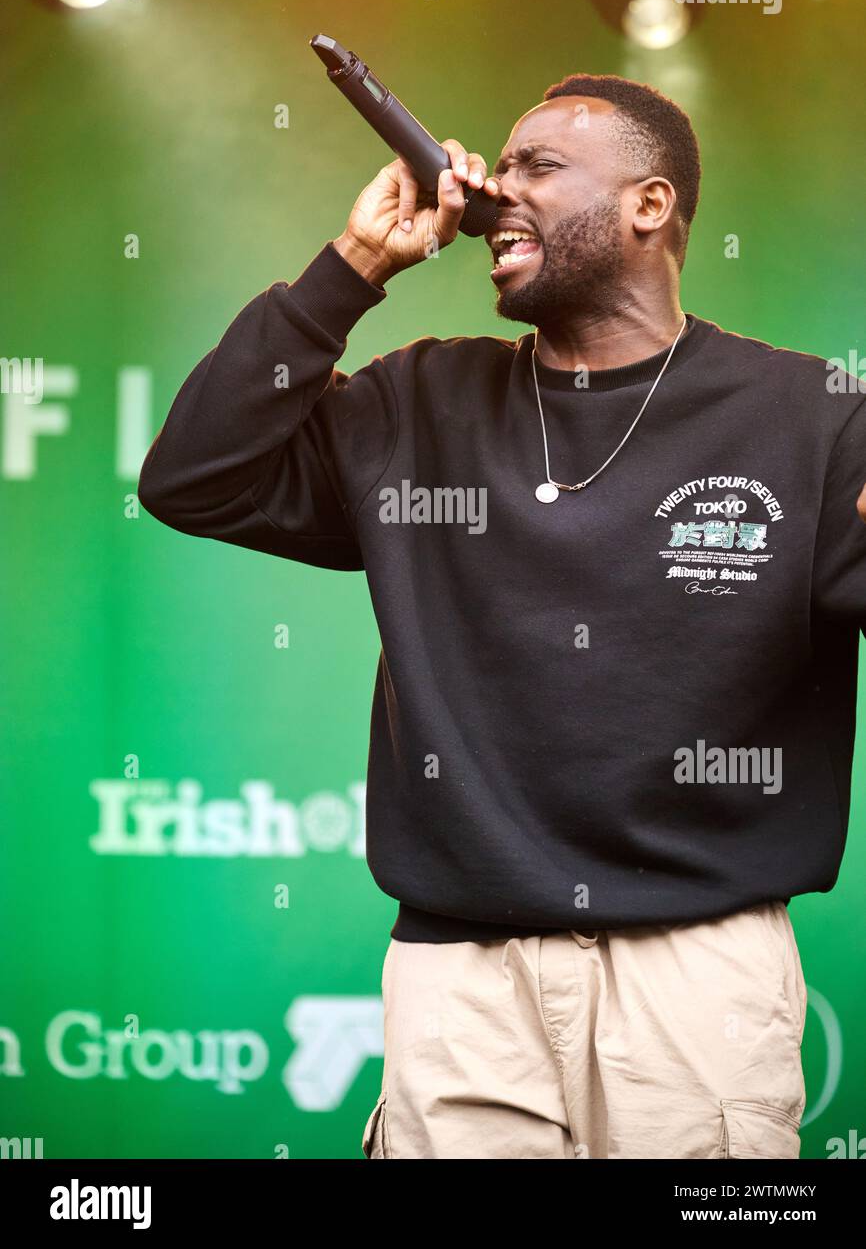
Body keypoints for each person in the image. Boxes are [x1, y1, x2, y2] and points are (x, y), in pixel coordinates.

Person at [138, 73, 866, 1160]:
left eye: (537, 167)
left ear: (648, 207)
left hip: (695, 970)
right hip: (460, 975)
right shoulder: (414, 402)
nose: (486, 186)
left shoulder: (810, 417)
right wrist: (351, 271)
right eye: (498, 166)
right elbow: (193, 478)